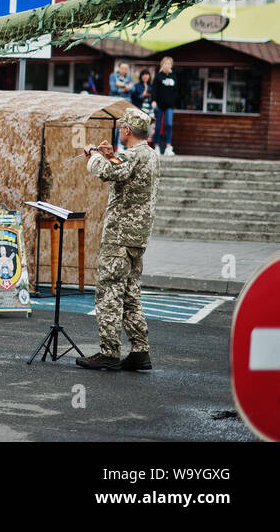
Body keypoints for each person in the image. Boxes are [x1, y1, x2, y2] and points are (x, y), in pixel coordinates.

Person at [77, 108, 159, 372]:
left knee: (109, 291)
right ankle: (139, 350)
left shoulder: (132, 155)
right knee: (131, 294)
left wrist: (93, 154)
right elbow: (122, 169)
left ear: (126, 130)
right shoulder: (150, 154)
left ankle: (109, 352)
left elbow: (110, 172)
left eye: (122, 127)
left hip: (120, 237)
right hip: (137, 237)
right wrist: (111, 155)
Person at [152, 56, 177, 156]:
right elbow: (154, 90)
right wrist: (153, 100)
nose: (167, 65)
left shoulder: (174, 77)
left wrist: (173, 101)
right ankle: (156, 146)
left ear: (171, 65)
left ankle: (168, 146)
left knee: (169, 125)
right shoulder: (158, 76)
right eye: (165, 63)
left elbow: (176, 91)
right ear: (162, 64)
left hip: (169, 106)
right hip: (159, 105)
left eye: (169, 63)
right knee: (158, 126)